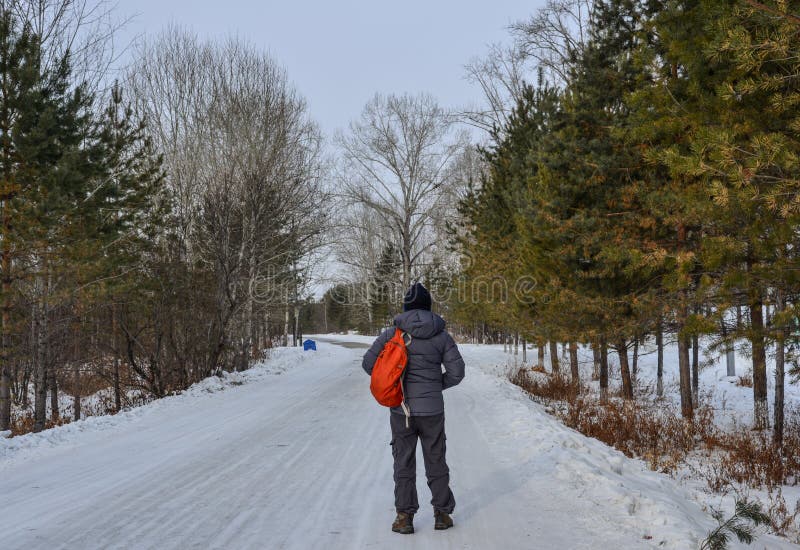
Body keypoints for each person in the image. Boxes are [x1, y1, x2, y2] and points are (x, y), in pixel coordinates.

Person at [362, 282, 465, 535]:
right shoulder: (441, 335)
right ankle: (442, 514)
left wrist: (395, 383)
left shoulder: (392, 334)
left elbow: (368, 365)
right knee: (436, 459)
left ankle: (404, 517)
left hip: (401, 409)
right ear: (429, 307)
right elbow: (457, 372)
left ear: (406, 307)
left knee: (404, 462)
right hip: (432, 411)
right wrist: (434, 386)